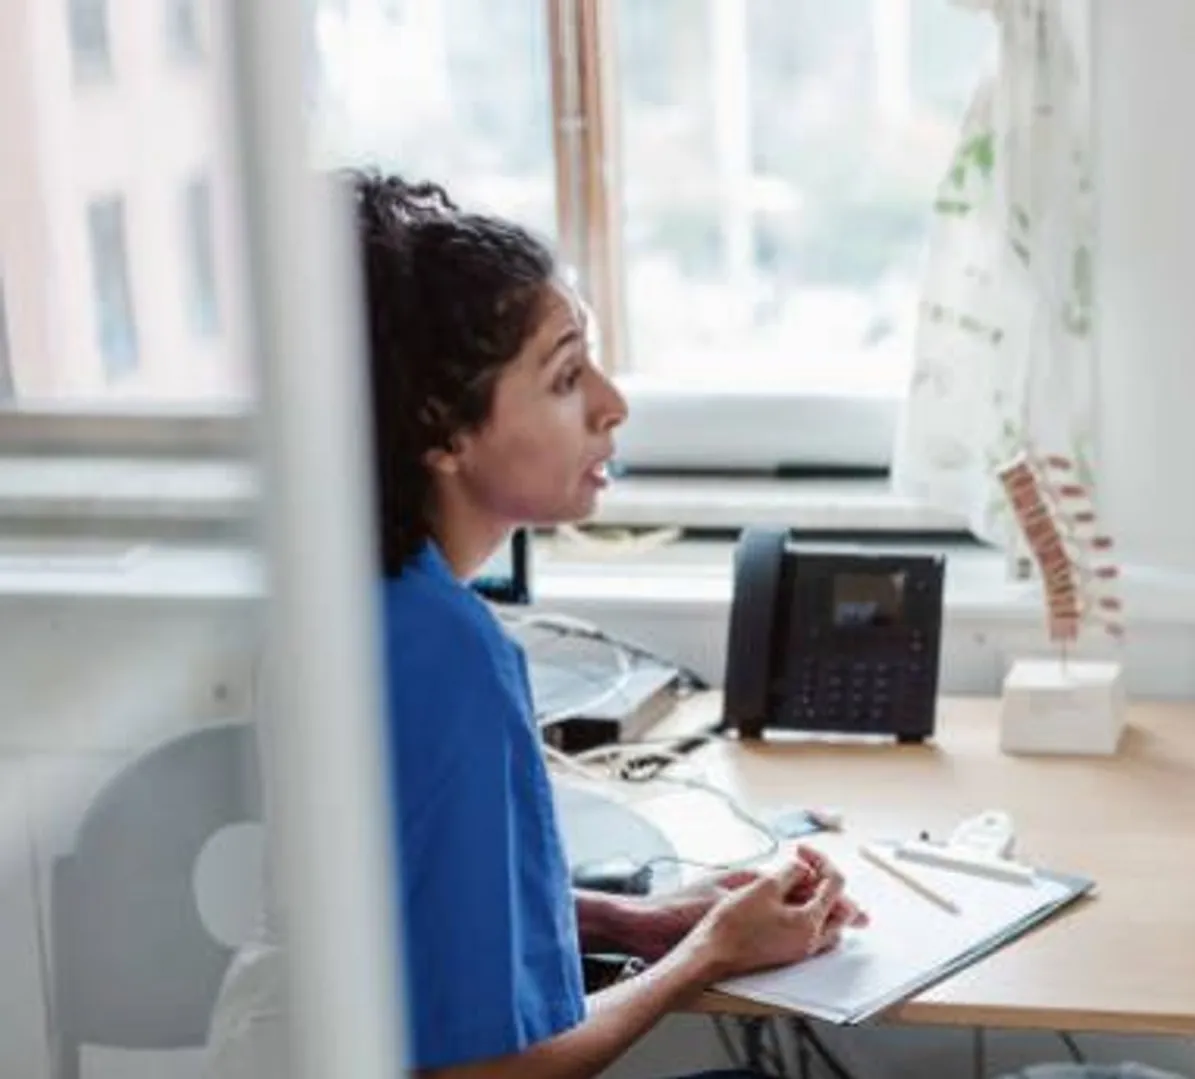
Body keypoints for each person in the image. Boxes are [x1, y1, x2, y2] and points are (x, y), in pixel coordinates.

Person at [206, 170, 865, 1079]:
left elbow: (411, 918)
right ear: (443, 430)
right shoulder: (448, 656)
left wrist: (635, 919)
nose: (611, 402)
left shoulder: (349, 602)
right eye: (564, 376)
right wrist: (705, 955)